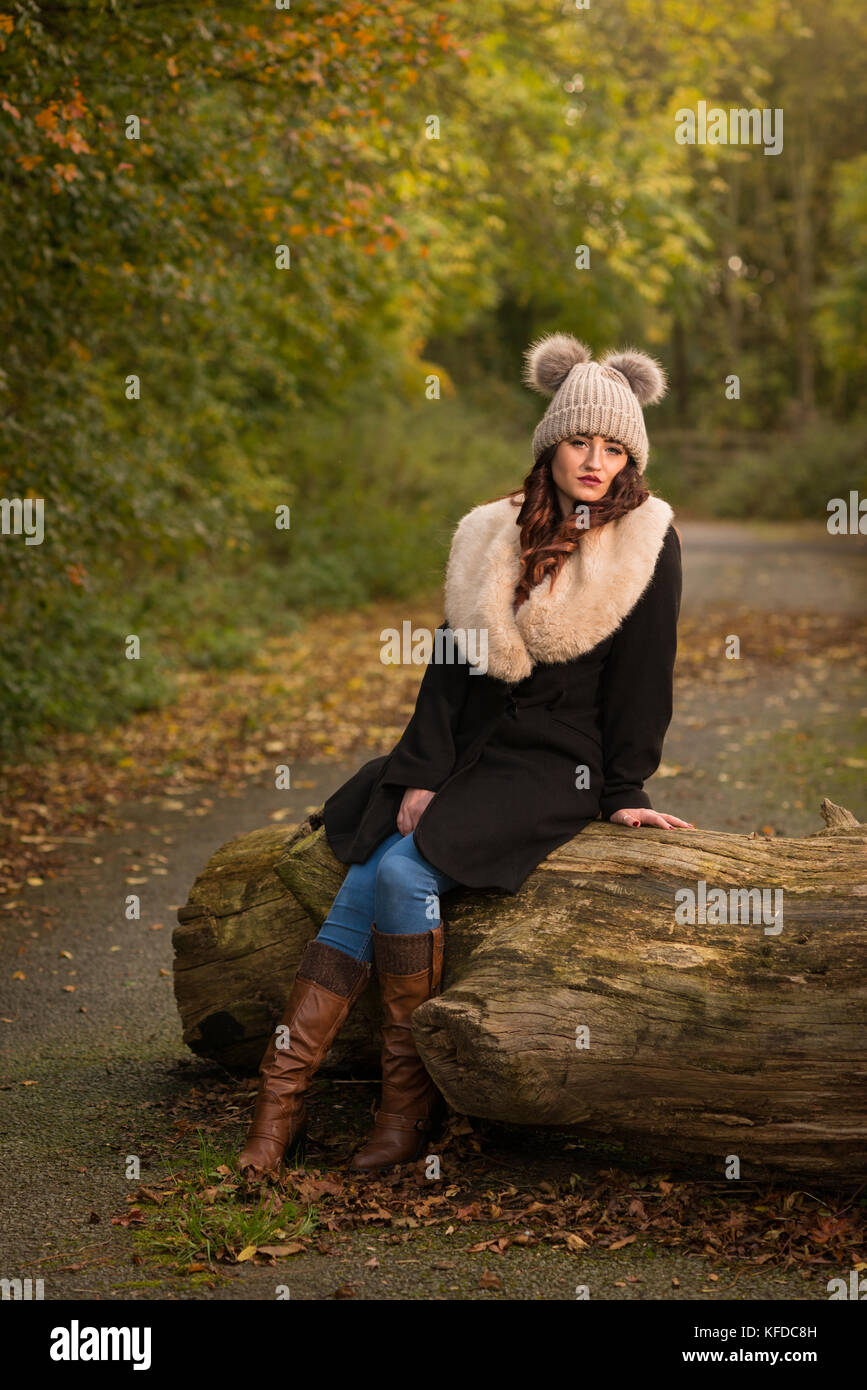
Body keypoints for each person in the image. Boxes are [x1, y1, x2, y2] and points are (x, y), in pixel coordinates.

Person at [239, 333, 693, 1179]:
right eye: (578, 441)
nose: (594, 461)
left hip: (561, 761)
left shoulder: (645, 541)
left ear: (630, 454)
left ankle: (406, 1109)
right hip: (469, 748)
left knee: (406, 872)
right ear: (548, 444)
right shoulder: (489, 530)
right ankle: (282, 1102)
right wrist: (418, 769)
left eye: (612, 446)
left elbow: (643, 679)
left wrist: (623, 785)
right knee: (373, 858)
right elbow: (448, 666)